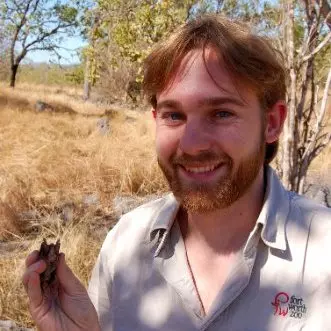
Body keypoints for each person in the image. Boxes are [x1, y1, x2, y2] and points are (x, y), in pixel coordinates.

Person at [23, 14, 331, 331]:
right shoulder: (127, 241)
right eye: (174, 115)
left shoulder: (323, 253)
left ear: (272, 123)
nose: (193, 144)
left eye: (222, 113)